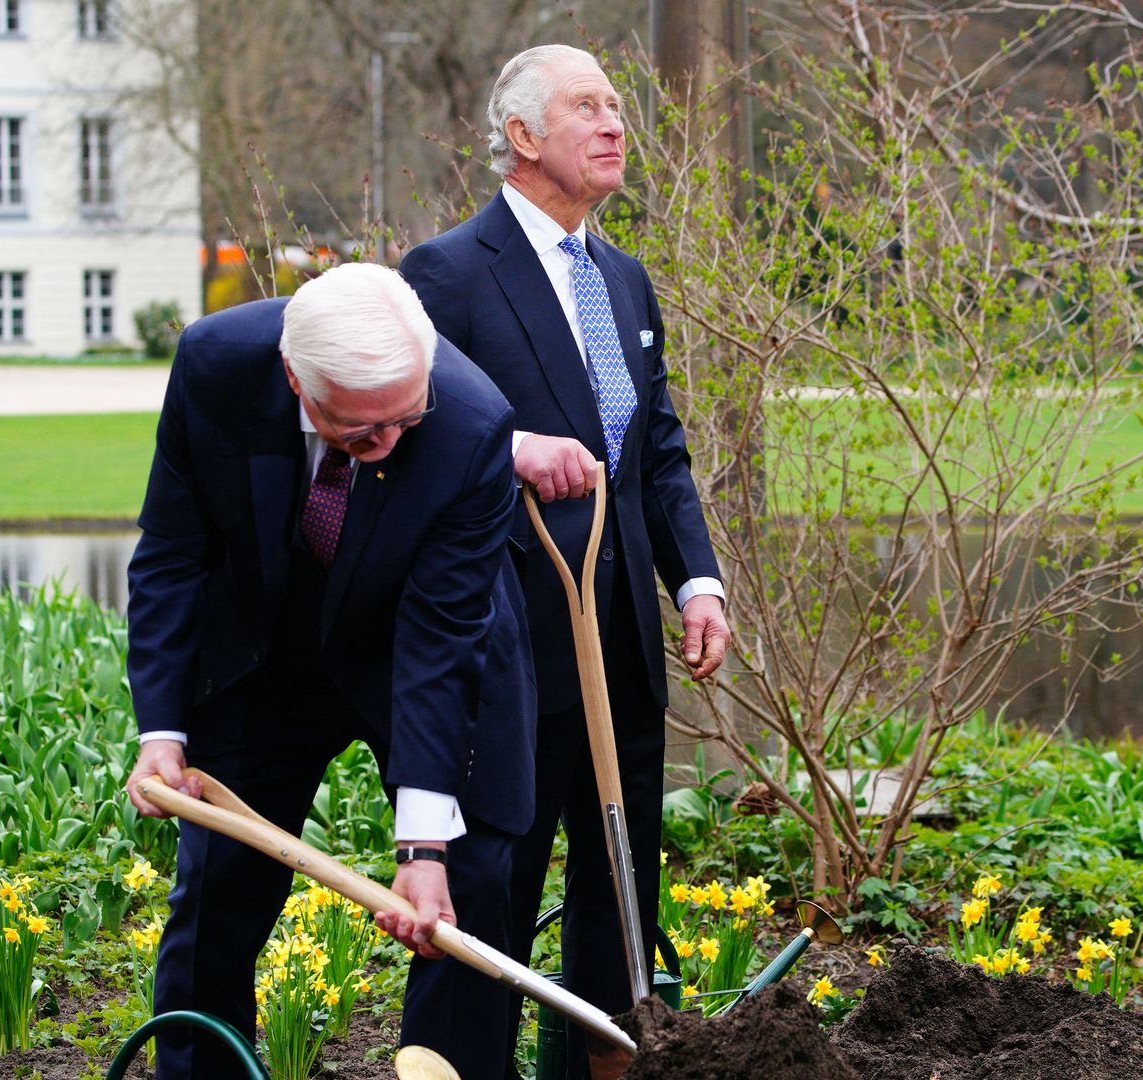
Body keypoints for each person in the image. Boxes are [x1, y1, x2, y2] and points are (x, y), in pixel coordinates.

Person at [399, 42, 731, 1078]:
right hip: (507, 635)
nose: (614, 123)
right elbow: (407, 435)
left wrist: (698, 579)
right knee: (494, 872)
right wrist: (509, 452)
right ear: (523, 136)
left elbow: (657, 451)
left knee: (619, 875)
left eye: (618, 105)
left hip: (622, 629)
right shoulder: (448, 275)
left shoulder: (623, 281)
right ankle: (461, 1068)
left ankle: (594, 1067)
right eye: (587, 106)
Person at [123, 263, 534, 1080]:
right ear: (294, 378)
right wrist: (162, 730)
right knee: (215, 895)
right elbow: (173, 552)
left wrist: (423, 843)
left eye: (405, 420)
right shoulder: (216, 365)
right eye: (360, 433)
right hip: (264, 650)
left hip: (420, 648)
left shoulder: (471, 423)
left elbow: (441, 635)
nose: (390, 445)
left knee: (470, 877)